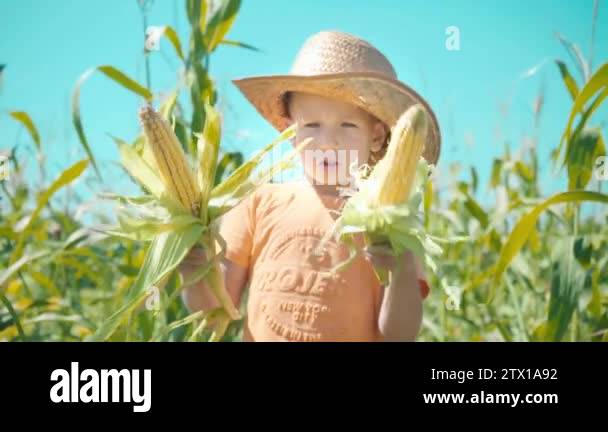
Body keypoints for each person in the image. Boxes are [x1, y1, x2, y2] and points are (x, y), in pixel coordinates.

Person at [178, 30, 441, 342]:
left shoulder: (391, 220)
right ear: (291, 132)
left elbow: (400, 335)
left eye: (347, 125)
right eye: (312, 125)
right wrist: (190, 274)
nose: (327, 144)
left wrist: (400, 270)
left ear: (376, 136)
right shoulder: (258, 202)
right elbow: (216, 314)